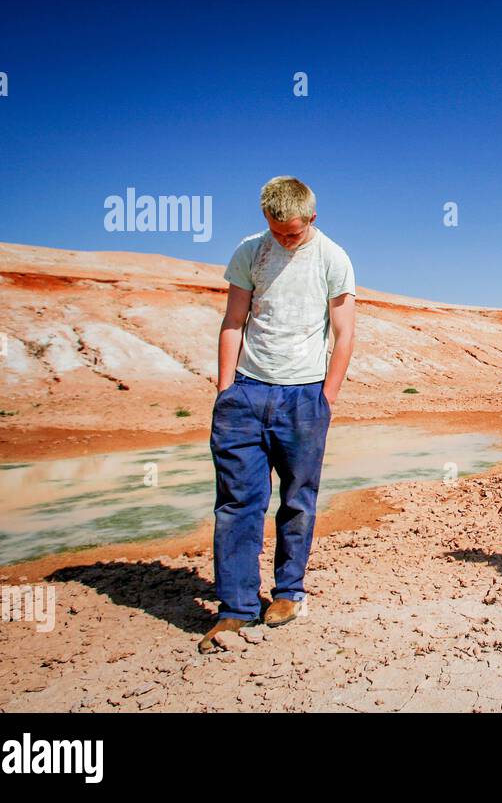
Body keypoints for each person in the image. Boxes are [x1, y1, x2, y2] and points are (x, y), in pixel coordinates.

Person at [199, 176, 356, 653]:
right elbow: (233, 320)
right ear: (264, 218)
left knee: (298, 500)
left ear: (312, 217)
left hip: (304, 397)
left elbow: (344, 332)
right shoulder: (250, 251)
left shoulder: (333, 258)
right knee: (237, 503)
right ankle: (235, 608)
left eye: (293, 233)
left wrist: (325, 397)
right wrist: (226, 387)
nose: (285, 240)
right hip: (245, 394)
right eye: (277, 231)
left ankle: (288, 593)